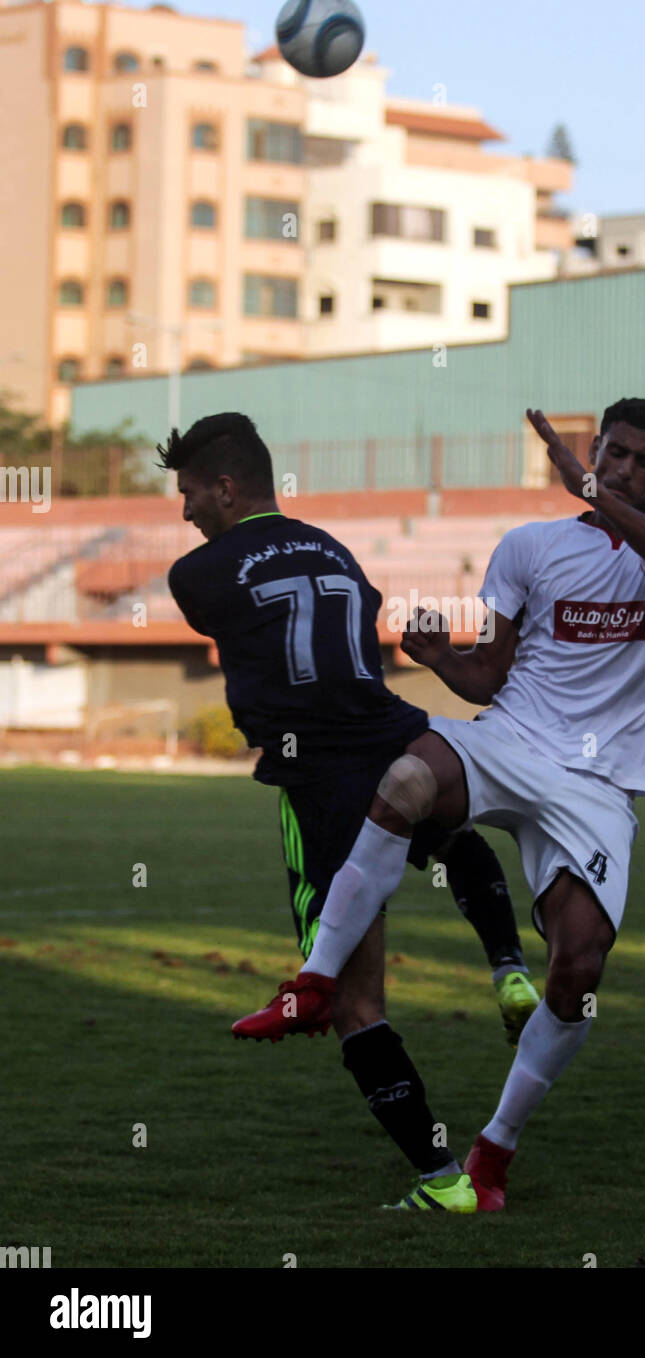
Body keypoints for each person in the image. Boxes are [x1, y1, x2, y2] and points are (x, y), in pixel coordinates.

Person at [273, 397, 645, 1213]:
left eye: (644, 462)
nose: (626, 469)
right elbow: (489, 678)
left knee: (579, 970)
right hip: (513, 740)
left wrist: (592, 490)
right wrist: (438, 657)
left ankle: (490, 1155)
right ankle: (312, 982)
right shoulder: (527, 547)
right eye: (614, 453)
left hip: (595, 787)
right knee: (407, 779)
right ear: (600, 447)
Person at [157, 413, 539, 1197]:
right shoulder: (334, 548)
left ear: (226, 489)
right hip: (396, 731)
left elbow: (229, 617)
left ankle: (442, 1178)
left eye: (191, 493)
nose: (185, 511)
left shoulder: (194, 573)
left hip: (320, 775)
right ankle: (506, 966)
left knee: (353, 1004)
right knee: (450, 830)